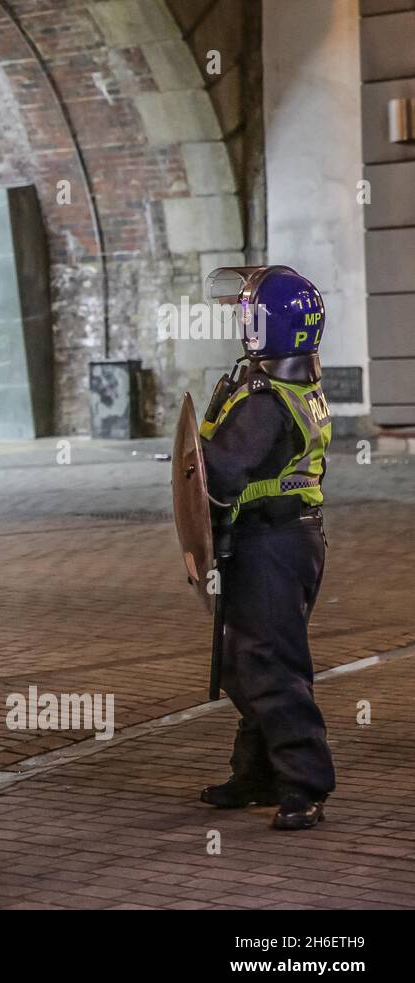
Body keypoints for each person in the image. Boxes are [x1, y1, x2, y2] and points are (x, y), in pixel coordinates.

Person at [198, 265, 334, 830]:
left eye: (248, 313)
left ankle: (304, 783)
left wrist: (197, 499)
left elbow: (222, 473)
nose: (241, 320)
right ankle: (256, 773)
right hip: (289, 537)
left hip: (268, 541)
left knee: (270, 664)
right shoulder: (295, 383)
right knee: (244, 662)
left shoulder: (262, 398)